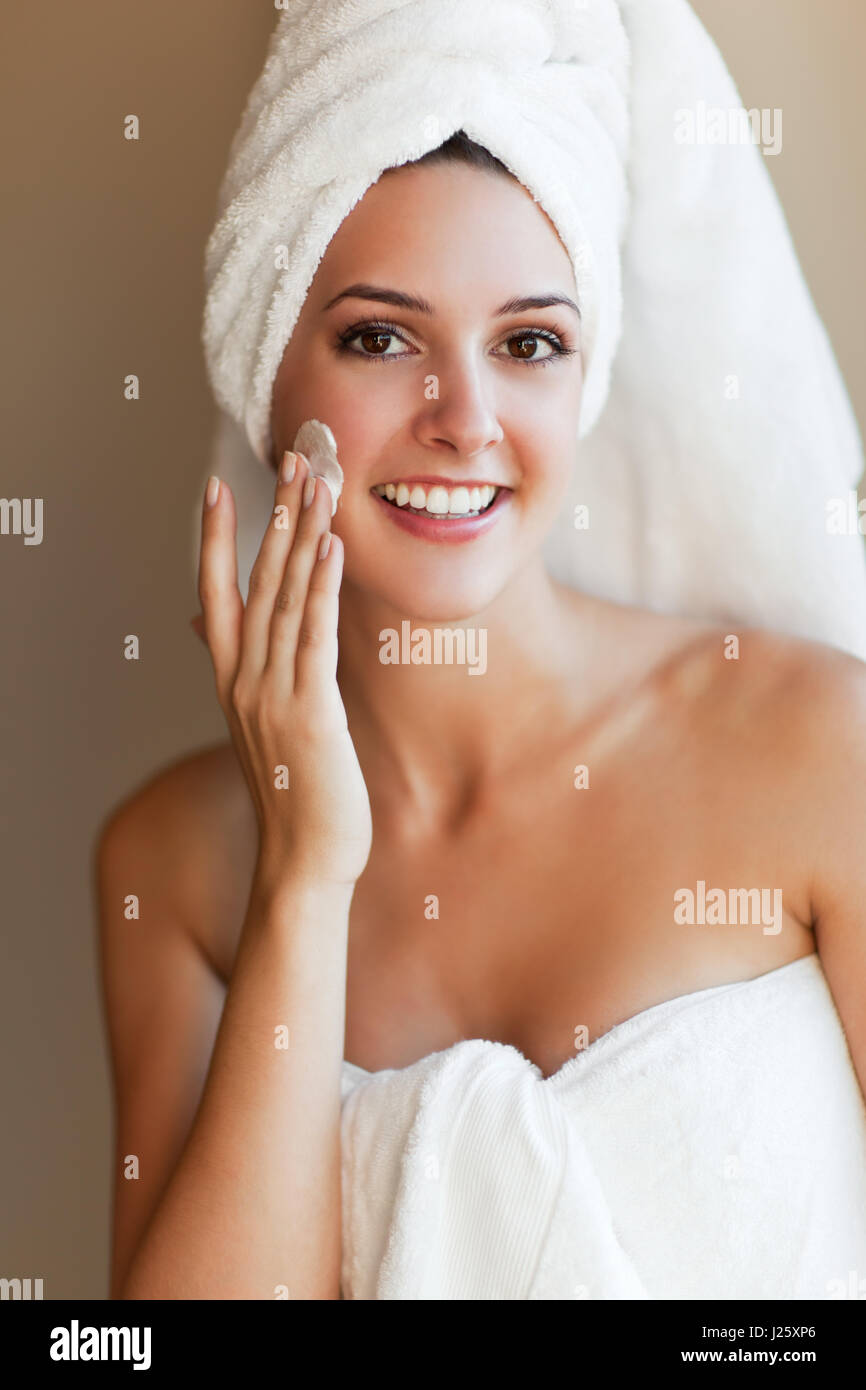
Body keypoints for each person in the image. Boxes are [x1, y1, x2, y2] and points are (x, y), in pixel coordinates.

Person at [96, 128, 866, 1301]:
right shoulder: (173, 865)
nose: (463, 417)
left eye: (527, 343)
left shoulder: (819, 745)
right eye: (379, 338)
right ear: (264, 380)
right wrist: (302, 876)